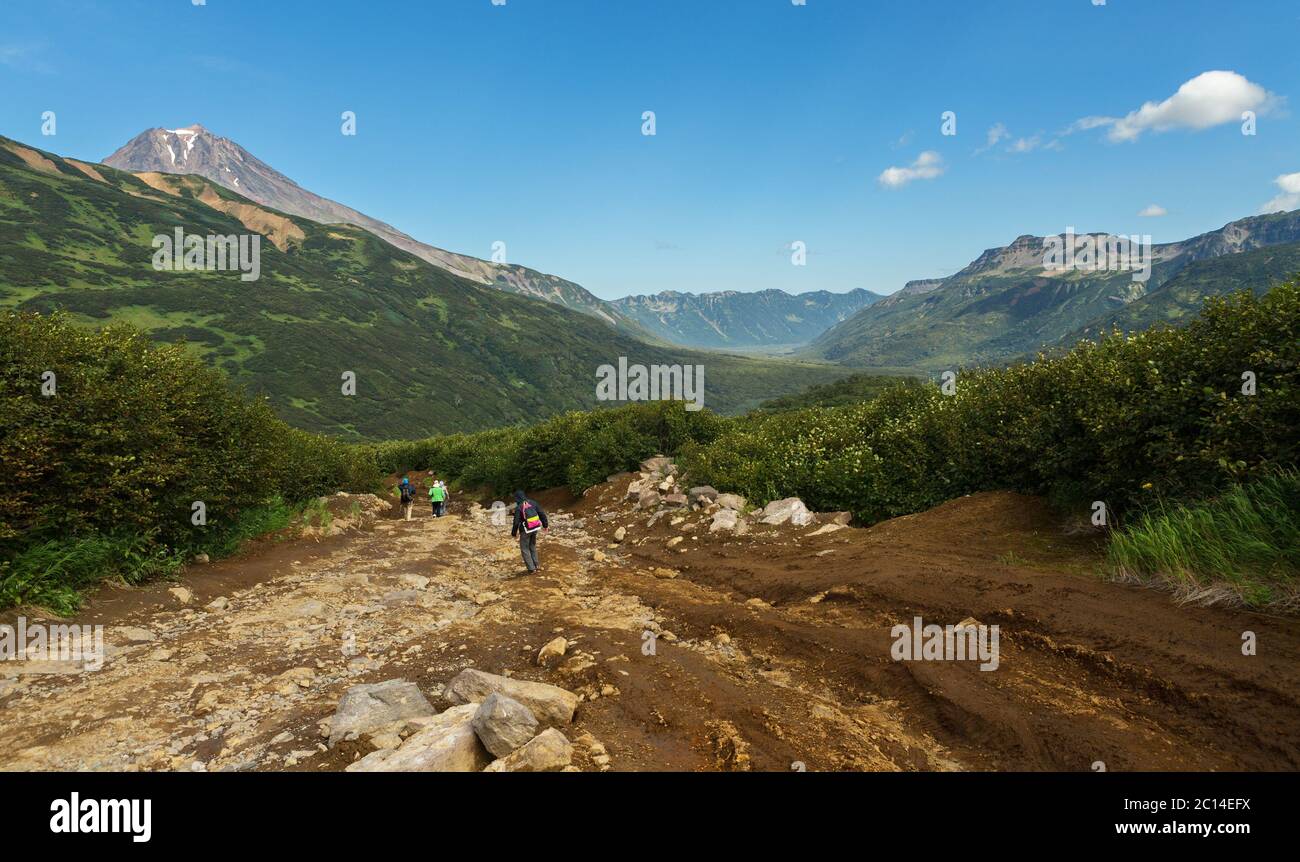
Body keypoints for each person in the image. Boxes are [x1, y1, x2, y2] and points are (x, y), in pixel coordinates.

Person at [511, 490, 548, 575]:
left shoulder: (519, 507)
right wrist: (545, 526)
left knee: (524, 548)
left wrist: (514, 533)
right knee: (532, 546)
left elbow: (516, 522)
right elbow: (542, 513)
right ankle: (537, 565)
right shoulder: (533, 503)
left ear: (517, 498)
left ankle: (531, 569)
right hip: (535, 528)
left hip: (525, 530)